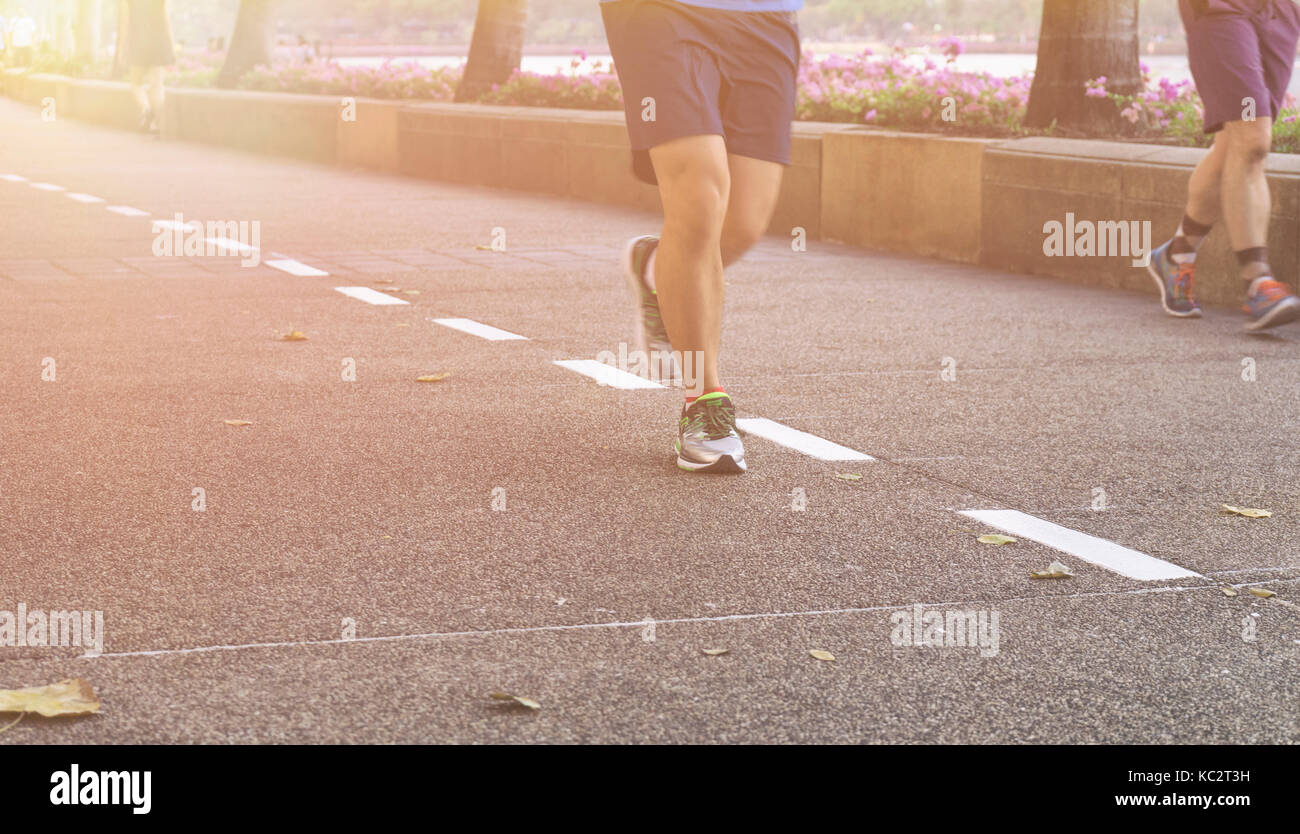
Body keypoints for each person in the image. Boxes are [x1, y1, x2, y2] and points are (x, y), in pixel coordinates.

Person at [600, 0, 803, 473]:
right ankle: (704, 402)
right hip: (659, 12)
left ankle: (654, 268)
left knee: (743, 224)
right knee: (699, 200)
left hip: (766, 17)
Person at [1147, 0, 1300, 331]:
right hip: (1220, 8)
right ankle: (1258, 283)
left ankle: (1178, 253)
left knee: (1235, 142)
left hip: (1279, 10)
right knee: (1253, 136)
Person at [120, 0, 176, 135]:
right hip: (158, 44)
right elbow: (166, 20)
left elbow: (125, 23)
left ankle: (146, 109)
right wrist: (171, 46)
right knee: (157, 86)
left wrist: (122, 47)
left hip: (138, 43)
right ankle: (155, 123)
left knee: (136, 84)